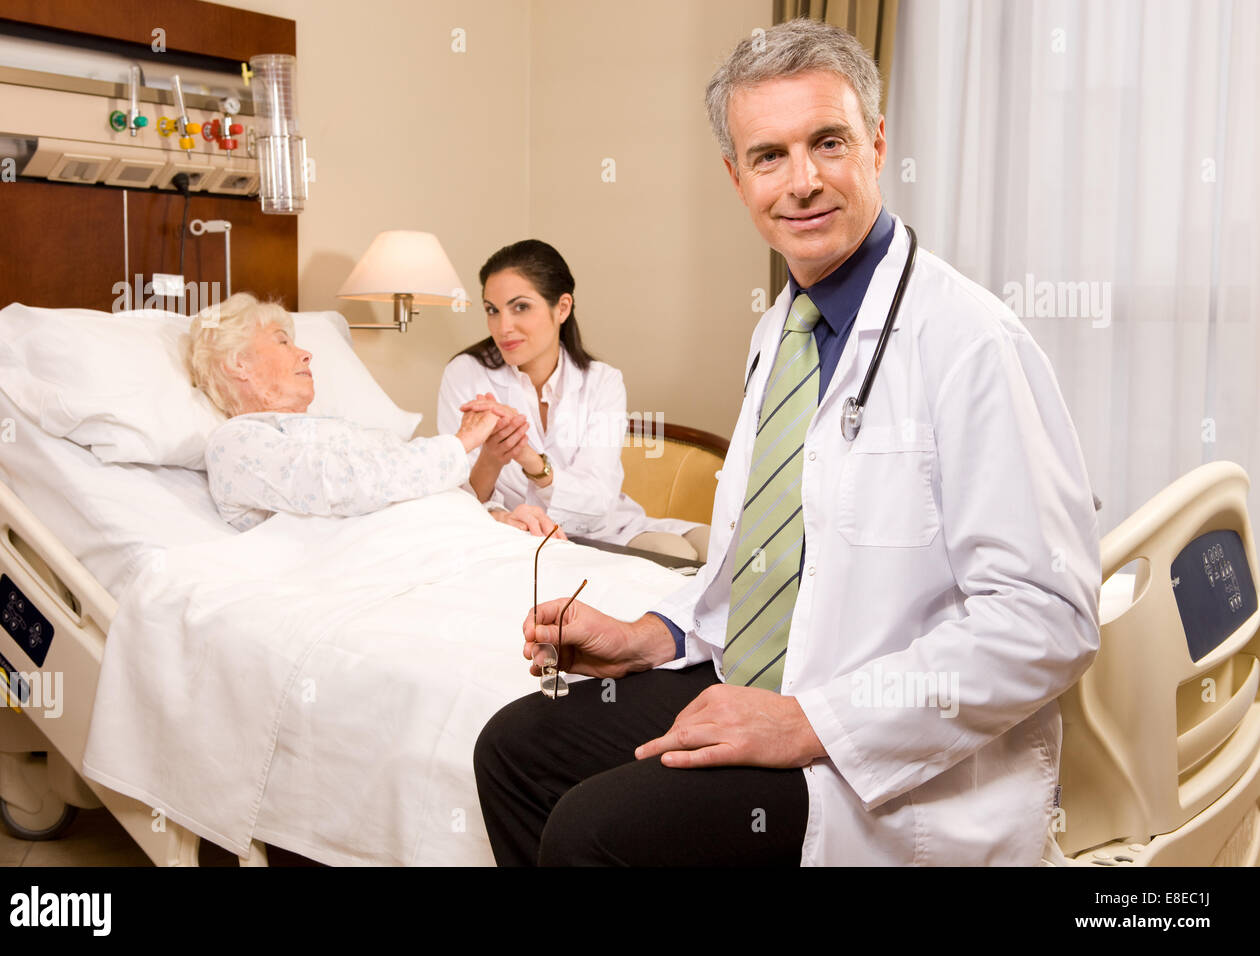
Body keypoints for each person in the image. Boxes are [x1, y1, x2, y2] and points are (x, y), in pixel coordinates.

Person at [473, 19, 1101, 866]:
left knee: (596, 831)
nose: (801, 182)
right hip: (771, 682)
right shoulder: (781, 333)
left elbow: (1047, 619)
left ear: (877, 143)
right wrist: (649, 636)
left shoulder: (972, 342)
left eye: (829, 142)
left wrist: (813, 721)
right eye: (769, 156)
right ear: (736, 178)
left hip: (880, 746)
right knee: (516, 750)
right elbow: (763, 570)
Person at [187, 292, 559, 536]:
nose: (305, 354)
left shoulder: (338, 430)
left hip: (459, 546)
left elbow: (412, 493)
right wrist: (462, 442)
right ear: (239, 363)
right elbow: (345, 488)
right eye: (282, 341)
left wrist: (498, 518)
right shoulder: (237, 442)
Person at [438, 239, 710, 559]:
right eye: (492, 310)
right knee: (676, 553)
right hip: (520, 530)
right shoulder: (466, 375)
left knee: (714, 543)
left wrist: (529, 458)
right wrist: (494, 458)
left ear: (562, 308)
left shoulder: (602, 381)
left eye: (520, 307)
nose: (503, 326)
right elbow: (461, 500)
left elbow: (597, 501)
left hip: (604, 525)